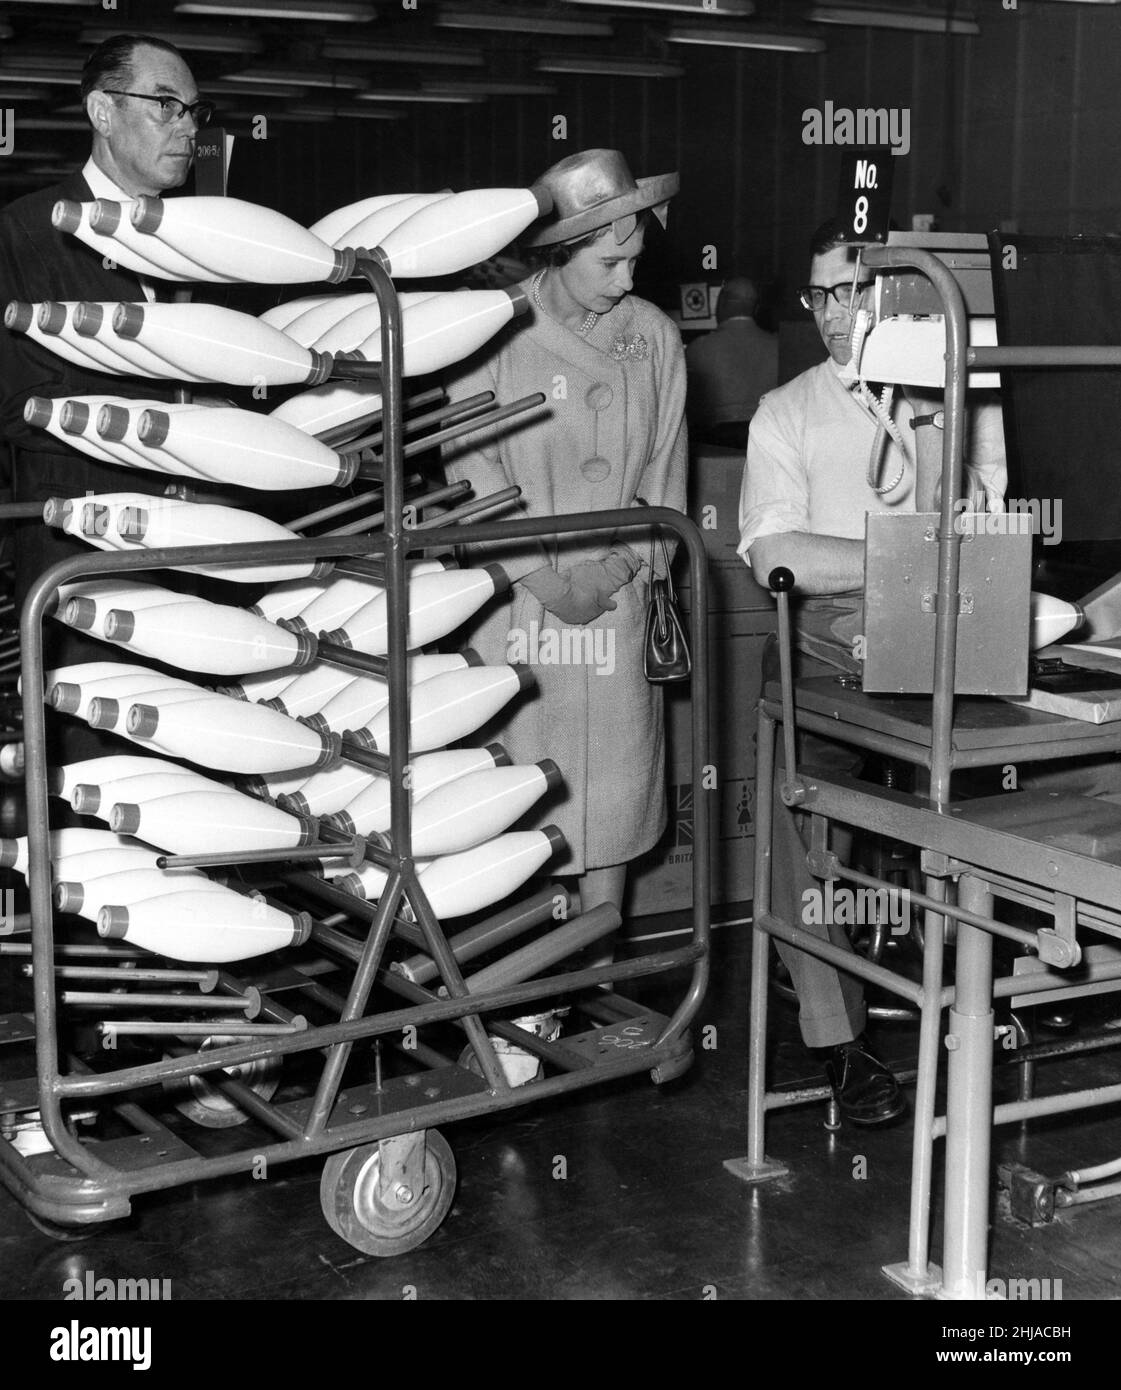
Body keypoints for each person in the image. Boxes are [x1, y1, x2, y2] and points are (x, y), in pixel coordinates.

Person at [737, 219, 1007, 1125]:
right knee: (799, 825)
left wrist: (929, 479)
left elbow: (985, 523)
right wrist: (904, 552)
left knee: (997, 806)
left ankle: (987, 995)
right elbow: (777, 553)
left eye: (856, 291)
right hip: (819, 648)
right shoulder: (786, 410)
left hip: (945, 641)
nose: (835, 315)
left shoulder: (966, 392)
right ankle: (837, 1044)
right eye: (820, 296)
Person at [443, 148, 687, 945]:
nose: (625, 280)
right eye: (609, 263)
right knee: (518, 816)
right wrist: (545, 582)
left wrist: (613, 571)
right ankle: (521, 1014)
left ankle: (597, 985)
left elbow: (665, 482)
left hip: (614, 613)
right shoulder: (490, 331)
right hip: (518, 615)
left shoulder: (653, 337)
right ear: (559, 252)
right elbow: (469, 476)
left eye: (634, 260)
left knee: (609, 814)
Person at [0, 34, 210, 755]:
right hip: (82, 551)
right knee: (99, 766)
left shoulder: (202, 238)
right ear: (101, 110)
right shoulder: (26, 232)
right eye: (166, 106)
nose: (187, 127)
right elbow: (15, 403)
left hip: (192, 550)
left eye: (193, 111)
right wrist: (169, 426)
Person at [685, 276, 777, 450]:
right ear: (755, 308)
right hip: (767, 447)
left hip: (715, 452)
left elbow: (690, 414)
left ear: (722, 303)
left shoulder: (697, 348)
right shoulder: (778, 346)